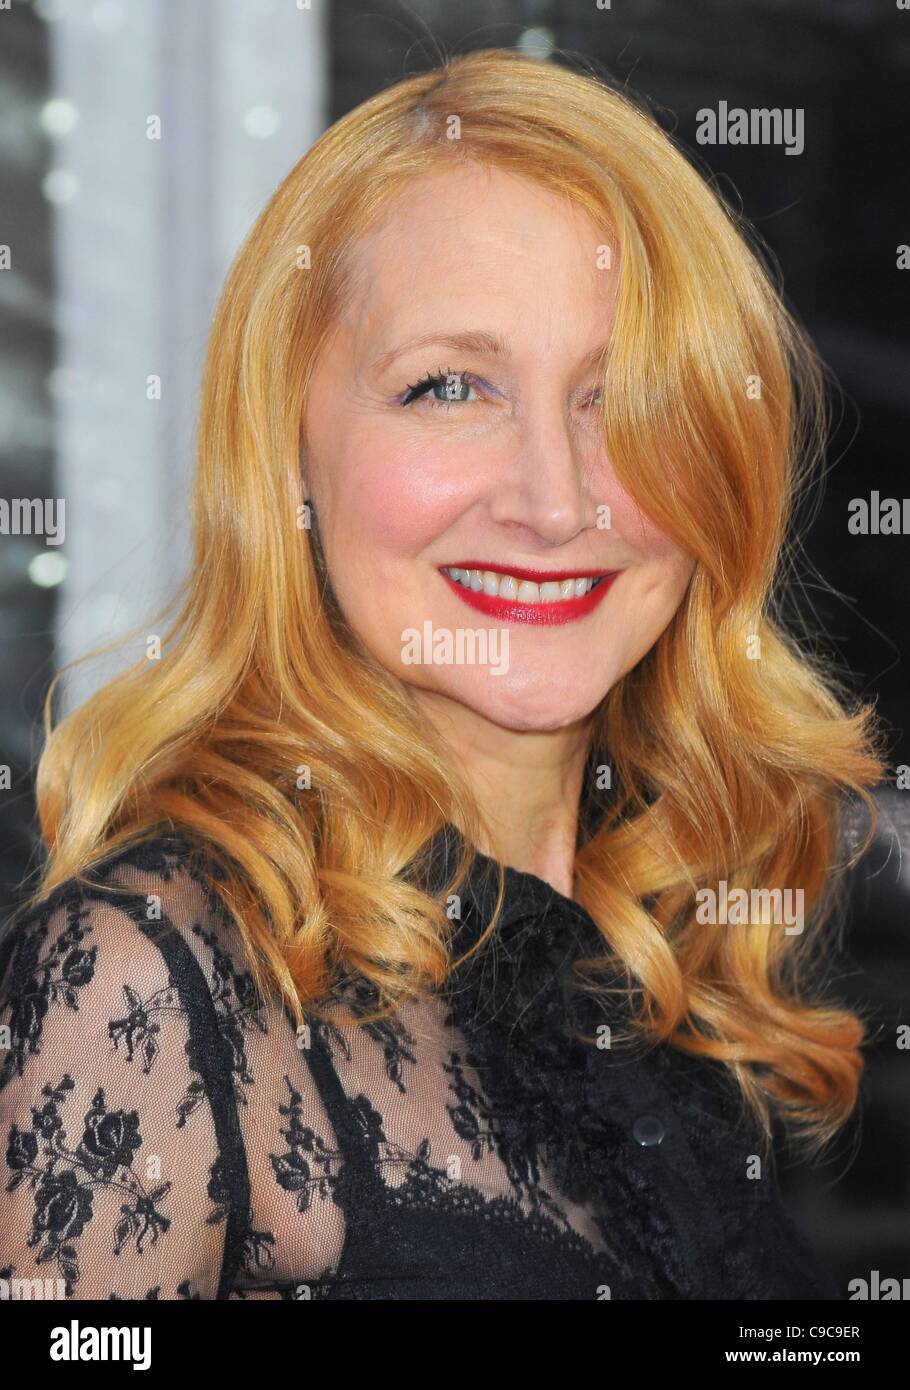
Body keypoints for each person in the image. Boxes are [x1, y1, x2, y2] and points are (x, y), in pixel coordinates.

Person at [0, 49, 885, 1300]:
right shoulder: (151, 982)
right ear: (288, 448)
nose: (555, 497)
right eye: (449, 387)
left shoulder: (672, 985)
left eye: (619, 396)